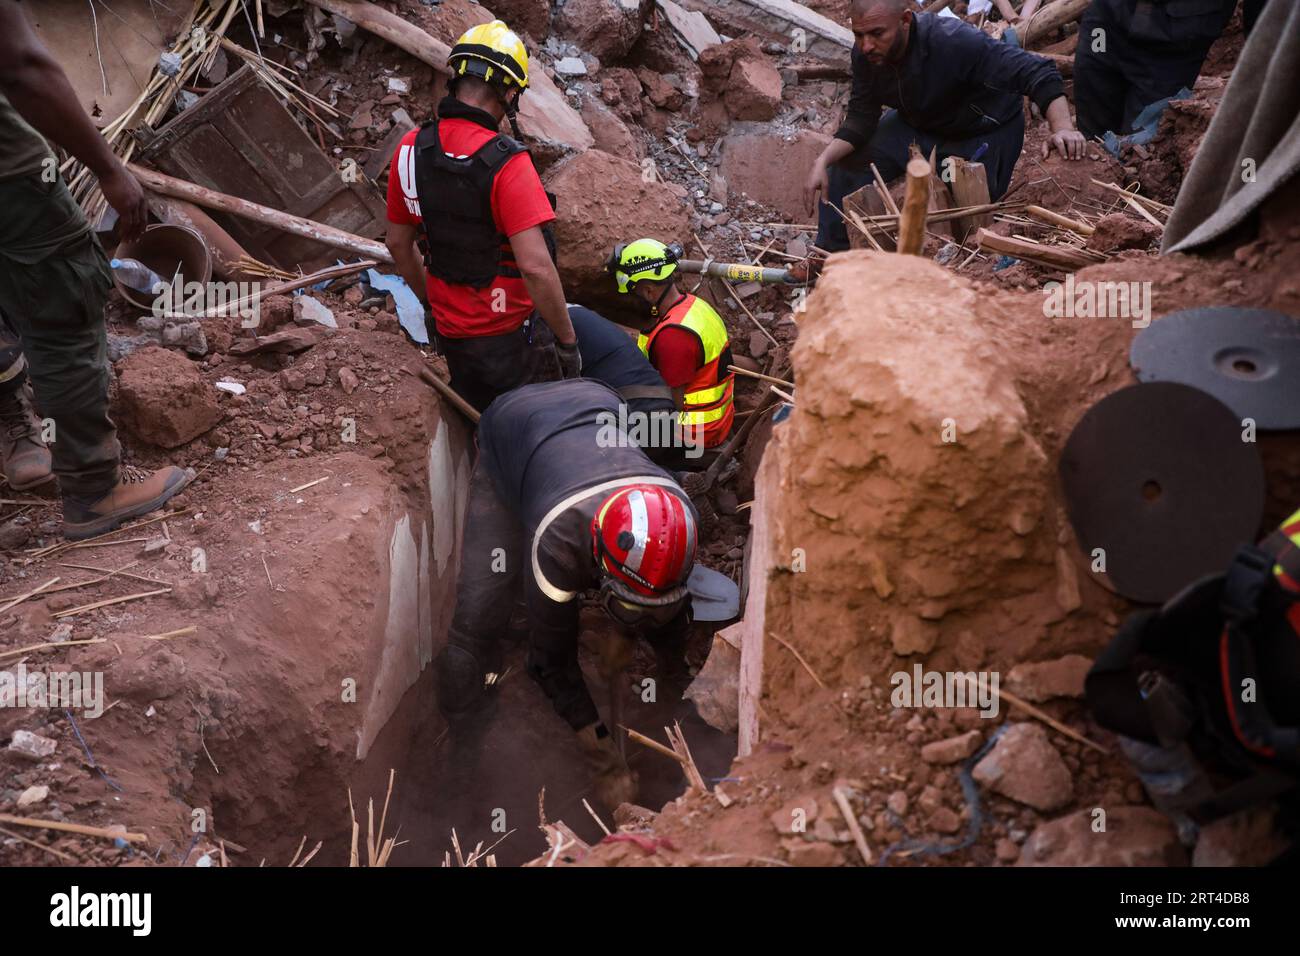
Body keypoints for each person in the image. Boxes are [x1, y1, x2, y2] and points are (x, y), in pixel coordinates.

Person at [435, 379, 699, 808]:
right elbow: (549, 663)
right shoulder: (557, 541)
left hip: (598, 401)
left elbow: (668, 596)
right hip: (513, 426)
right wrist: (603, 757)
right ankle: (461, 755)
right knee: (478, 617)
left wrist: (653, 662)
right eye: (625, 605)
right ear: (598, 556)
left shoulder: (679, 516)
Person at [0, 0, 191, 539]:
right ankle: (93, 491)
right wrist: (108, 167)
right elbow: (21, 64)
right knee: (64, 311)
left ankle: (22, 438)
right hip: (11, 184)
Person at [384, 19, 579, 413]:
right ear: (509, 93)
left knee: (480, 420)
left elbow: (398, 244)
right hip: (512, 341)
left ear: (456, 79)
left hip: (452, 338)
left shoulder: (410, 148)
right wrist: (567, 341)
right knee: (538, 427)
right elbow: (536, 268)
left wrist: (430, 305)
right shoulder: (509, 163)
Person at [805, 0, 1086, 252]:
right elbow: (861, 116)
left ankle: (955, 268)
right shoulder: (865, 54)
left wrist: (1062, 127)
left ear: (905, 20)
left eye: (877, 33)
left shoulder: (954, 41)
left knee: (965, 215)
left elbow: (1037, 71)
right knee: (845, 164)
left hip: (983, 130)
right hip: (919, 125)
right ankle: (829, 256)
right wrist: (823, 159)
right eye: (859, 34)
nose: (866, 45)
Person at [606, 239, 735, 457]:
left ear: (649, 292)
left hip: (694, 432)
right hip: (715, 419)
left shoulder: (674, 337)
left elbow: (669, 404)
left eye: (633, 292)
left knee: (607, 432)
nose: (631, 299)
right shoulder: (693, 305)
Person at [1072, 0, 1260, 140]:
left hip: (1174, 45)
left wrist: (1259, 69)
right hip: (1105, 26)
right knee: (1092, 135)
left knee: (1141, 145)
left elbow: (1265, 19)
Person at [565, 304, 686, 466]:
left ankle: (668, 473)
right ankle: (673, 473)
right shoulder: (583, 317)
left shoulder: (556, 326)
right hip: (666, 412)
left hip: (639, 416)